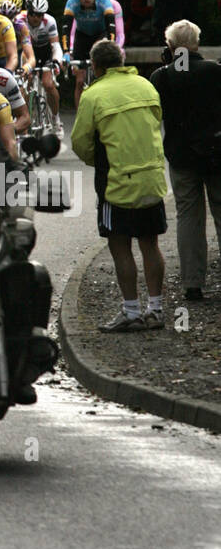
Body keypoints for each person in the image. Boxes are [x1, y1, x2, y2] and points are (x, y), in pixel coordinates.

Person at [71, 39, 168, 331]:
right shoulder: (146, 86)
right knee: (150, 243)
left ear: (95, 67)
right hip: (151, 177)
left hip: (116, 182)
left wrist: (97, 161)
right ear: (122, 62)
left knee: (120, 245)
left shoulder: (93, 95)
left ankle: (131, 311)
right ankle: (157, 309)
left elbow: (80, 143)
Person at [150, 20, 221, 302]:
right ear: (196, 44)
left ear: (170, 46)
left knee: (189, 217)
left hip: (181, 156)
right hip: (216, 153)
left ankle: (193, 283)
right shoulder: (214, 71)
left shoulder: (162, 76)